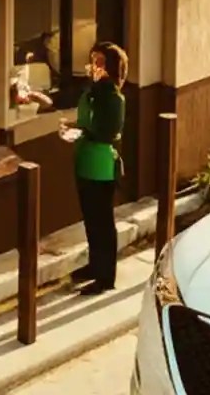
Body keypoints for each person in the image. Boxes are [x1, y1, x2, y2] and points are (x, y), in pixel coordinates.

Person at [60, 41, 128, 296]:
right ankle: (94, 265)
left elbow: (106, 131)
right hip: (85, 162)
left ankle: (105, 276)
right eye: (92, 60)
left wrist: (81, 132)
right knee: (90, 219)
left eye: (99, 61)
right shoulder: (91, 90)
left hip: (101, 165)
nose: (93, 66)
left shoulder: (113, 97)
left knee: (103, 222)